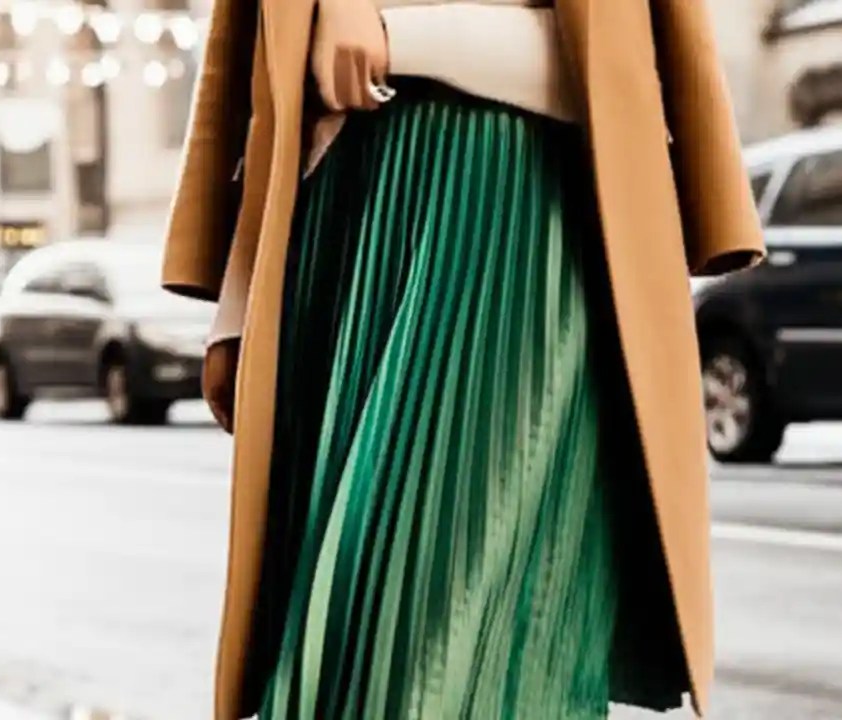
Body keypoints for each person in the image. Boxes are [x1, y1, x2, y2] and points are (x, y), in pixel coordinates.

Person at [161, 0, 765, 718]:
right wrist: (238, 299)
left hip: (519, 223)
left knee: (438, 652)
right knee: (335, 665)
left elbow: (606, 66)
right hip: (343, 242)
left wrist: (396, 36)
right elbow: (264, 76)